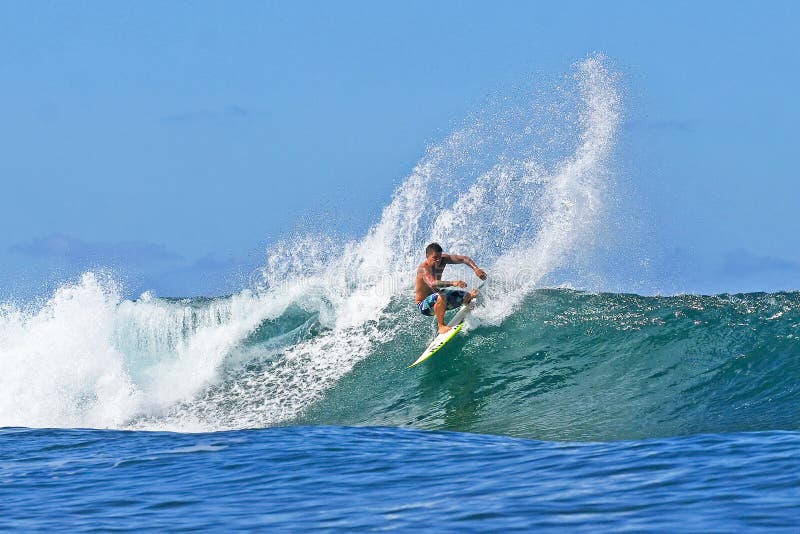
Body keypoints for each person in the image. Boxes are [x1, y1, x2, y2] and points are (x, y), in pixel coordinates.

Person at [415, 242, 487, 334]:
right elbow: (433, 284)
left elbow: (463, 259)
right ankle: (441, 326)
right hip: (424, 306)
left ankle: (466, 300)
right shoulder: (423, 269)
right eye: (435, 258)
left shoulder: (443, 259)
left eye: (440, 257)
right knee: (442, 295)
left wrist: (476, 269)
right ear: (427, 256)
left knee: (467, 296)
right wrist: (453, 283)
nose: (438, 260)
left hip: (439, 298)